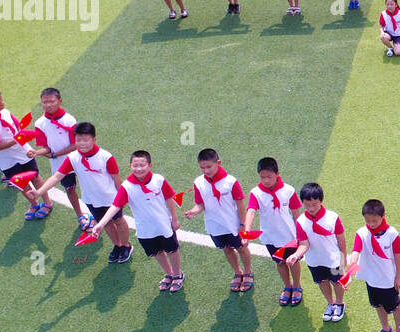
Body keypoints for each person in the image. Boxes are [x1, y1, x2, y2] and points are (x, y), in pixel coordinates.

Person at [33, 122, 132, 262]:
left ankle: (126, 246)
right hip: (91, 200)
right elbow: (57, 176)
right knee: (106, 224)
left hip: (111, 199)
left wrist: (123, 197)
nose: (82, 143)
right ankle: (117, 245)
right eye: (78, 140)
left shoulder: (106, 157)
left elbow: (116, 178)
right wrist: (39, 192)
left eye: (85, 140)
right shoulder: (72, 158)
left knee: (119, 221)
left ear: (94, 140)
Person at [89, 150, 184, 292]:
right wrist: (101, 224)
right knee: (157, 252)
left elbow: (169, 198)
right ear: (130, 166)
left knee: (172, 250)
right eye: (135, 165)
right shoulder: (126, 186)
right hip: (145, 230)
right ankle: (169, 274)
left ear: (150, 165)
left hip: (164, 225)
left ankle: (177, 274)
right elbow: (115, 206)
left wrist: (174, 218)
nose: (139, 168)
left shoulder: (158, 180)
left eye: (142, 165)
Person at [184, 148, 253, 293]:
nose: (205, 170)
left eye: (209, 167)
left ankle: (247, 271)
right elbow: (200, 204)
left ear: (218, 163)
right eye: (202, 167)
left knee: (241, 248)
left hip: (233, 224)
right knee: (226, 249)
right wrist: (193, 211)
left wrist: (242, 224)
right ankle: (237, 272)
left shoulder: (230, 181)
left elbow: (241, 204)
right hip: (214, 225)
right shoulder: (198, 182)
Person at [243, 156, 303, 306]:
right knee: (280, 263)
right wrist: (247, 232)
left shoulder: (289, 190)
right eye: (262, 177)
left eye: (269, 177)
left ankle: (297, 286)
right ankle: (287, 286)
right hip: (270, 237)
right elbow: (251, 212)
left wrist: (302, 235)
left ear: (277, 174)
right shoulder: (255, 193)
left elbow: (296, 213)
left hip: (290, 236)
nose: (266, 180)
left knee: (293, 262)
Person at [0, 90, 44, 216]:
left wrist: (22, 136)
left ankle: (47, 203)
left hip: (24, 152)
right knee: (21, 182)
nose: (3, 102)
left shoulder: (5, 113)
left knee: (35, 177)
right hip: (7, 160)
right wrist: (17, 139)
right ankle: (34, 204)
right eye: (0, 100)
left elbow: (18, 127)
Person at [285, 182, 347, 322]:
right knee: (322, 282)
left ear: (321, 201)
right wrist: (296, 255)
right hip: (315, 261)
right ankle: (330, 303)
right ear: (303, 203)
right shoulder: (300, 221)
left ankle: (339, 302)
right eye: (307, 205)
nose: (311, 208)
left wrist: (343, 257)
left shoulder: (333, 217)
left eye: (314, 204)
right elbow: (304, 244)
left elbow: (341, 239)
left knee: (337, 282)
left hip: (334, 260)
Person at [347, 199, 400, 332]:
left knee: (395, 306)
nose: (371, 224)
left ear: (383, 216)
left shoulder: (392, 234)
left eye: (374, 220)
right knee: (378, 305)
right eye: (368, 220)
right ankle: (386, 328)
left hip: (388, 279)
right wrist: (350, 270)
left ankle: (399, 331)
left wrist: (398, 276)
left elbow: (398, 255)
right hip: (371, 280)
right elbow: (356, 252)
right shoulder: (361, 233)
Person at [31, 87, 83, 223]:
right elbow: (46, 148)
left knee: (90, 186)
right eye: (44, 102)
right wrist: (36, 153)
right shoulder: (40, 123)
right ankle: (80, 216)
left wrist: (55, 154)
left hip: (78, 160)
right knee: (70, 190)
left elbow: (75, 145)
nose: (48, 105)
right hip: (61, 165)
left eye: (51, 101)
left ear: (59, 101)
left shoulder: (69, 120)